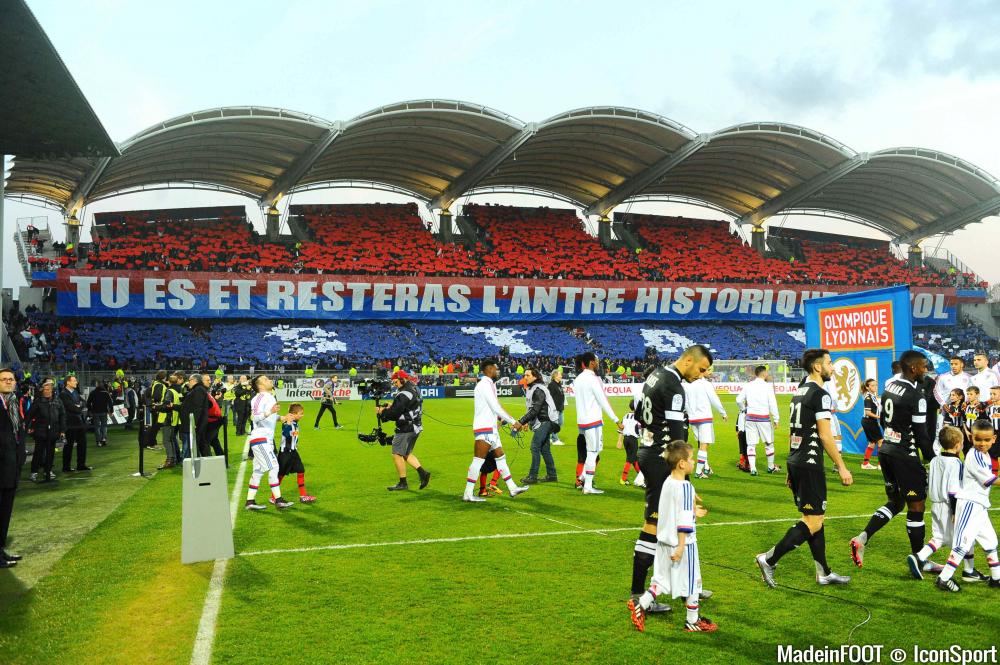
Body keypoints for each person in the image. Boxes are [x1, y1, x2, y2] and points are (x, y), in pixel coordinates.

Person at [756, 349, 853, 588]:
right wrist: (841, 466)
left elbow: (793, 433)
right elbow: (825, 436)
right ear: (818, 367)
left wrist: (791, 467)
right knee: (813, 520)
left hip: (797, 460)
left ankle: (823, 572)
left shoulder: (798, 393)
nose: (832, 368)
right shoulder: (820, 394)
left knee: (815, 517)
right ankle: (769, 559)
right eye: (830, 363)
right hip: (809, 463)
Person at [630, 345, 712, 610]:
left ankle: (690, 585)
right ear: (688, 360)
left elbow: (635, 405)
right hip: (662, 461)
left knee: (673, 524)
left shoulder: (655, 374)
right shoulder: (674, 387)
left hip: (650, 453)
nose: (701, 375)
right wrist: (686, 482)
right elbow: (678, 440)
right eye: (701, 369)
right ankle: (638, 594)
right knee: (656, 526)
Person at [850, 350, 935, 570]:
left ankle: (863, 538)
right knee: (916, 505)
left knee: (896, 502)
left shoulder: (889, 387)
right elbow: (922, 436)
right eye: (924, 366)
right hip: (904, 454)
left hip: (886, 450)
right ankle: (919, 558)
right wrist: (934, 459)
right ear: (913, 368)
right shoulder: (916, 397)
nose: (926, 369)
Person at [628, 441, 716, 633]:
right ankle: (692, 620)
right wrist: (682, 545)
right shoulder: (686, 487)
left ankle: (640, 605)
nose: (693, 462)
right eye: (691, 459)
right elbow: (684, 520)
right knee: (693, 581)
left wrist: (692, 510)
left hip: (663, 541)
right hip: (681, 544)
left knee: (660, 580)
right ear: (682, 464)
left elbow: (673, 509)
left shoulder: (667, 482)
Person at [934, 419, 1000, 592]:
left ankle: (996, 578)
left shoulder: (984, 455)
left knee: (990, 541)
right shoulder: (973, 455)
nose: (982, 443)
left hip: (980, 506)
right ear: (971, 438)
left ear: (994, 439)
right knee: (963, 543)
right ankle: (944, 578)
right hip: (970, 505)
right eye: (978, 439)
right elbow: (990, 480)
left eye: (987, 440)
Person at [461, 359, 528, 503]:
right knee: (478, 461)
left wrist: (505, 420)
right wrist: (514, 421)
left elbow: (494, 408)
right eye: (495, 369)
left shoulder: (487, 384)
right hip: (485, 428)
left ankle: (512, 487)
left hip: (489, 428)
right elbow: (496, 407)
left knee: (501, 458)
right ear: (488, 369)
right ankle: (467, 493)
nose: (497, 371)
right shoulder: (485, 384)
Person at [907, 425, 964, 579]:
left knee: (939, 537)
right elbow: (953, 490)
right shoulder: (957, 464)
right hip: (947, 505)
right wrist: (954, 511)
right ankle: (962, 571)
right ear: (958, 445)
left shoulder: (934, 460)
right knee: (958, 539)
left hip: (934, 503)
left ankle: (919, 556)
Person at [572, 352, 623, 495]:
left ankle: (582, 476)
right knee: (593, 452)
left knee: (595, 450)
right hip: (593, 420)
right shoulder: (593, 379)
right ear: (591, 363)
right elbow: (603, 401)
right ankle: (587, 485)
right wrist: (616, 420)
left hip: (582, 421)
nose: (598, 362)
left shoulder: (578, 379)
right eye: (596, 360)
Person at [245, 375, 293, 511]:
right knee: (274, 467)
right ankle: (278, 500)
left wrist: (281, 417)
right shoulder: (261, 397)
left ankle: (250, 501)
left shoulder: (268, 396)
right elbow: (255, 417)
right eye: (266, 380)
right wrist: (270, 411)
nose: (270, 380)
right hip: (261, 439)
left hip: (263, 439)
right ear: (260, 386)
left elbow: (269, 416)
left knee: (258, 471)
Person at [377, 371, 430, 492]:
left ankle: (403, 483)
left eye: (395, 381)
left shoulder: (403, 393)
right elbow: (409, 405)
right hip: (416, 426)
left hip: (406, 428)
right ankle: (423, 474)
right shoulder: (414, 388)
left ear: (402, 379)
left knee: (396, 454)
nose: (394, 384)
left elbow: (394, 415)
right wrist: (393, 405)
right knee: (406, 453)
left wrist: (382, 411)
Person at [0, 368, 25, 567]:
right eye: (4, 379)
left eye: (11, 379)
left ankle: (0, 550)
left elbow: (18, 432)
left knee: (6, 511)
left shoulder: (14, 402)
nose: (8, 382)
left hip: (12, 464)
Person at [735, 365, 780, 476]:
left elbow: (738, 399)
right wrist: (776, 418)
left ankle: (753, 469)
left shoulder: (748, 385)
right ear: (764, 373)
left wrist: (744, 409)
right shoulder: (767, 387)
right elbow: (772, 403)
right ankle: (770, 467)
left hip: (750, 418)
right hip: (763, 418)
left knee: (751, 444)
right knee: (769, 443)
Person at [517, 367, 559, 484]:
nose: (525, 377)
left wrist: (521, 421)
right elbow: (533, 409)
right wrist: (526, 422)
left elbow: (535, 410)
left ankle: (533, 476)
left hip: (545, 421)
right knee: (545, 449)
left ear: (535, 377)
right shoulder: (535, 388)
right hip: (546, 421)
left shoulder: (538, 389)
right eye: (524, 375)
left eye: (528, 375)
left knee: (535, 447)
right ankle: (552, 475)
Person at [684, 375, 728, 479]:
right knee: (704, 445)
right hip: (704, 418)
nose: (709, 372)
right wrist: (723, 413)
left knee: (701, 444)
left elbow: (685, 403)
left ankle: (706, 467)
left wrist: (690, 414)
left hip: (693, 419)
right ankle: (699, 472)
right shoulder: (706, 384)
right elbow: (714, 399)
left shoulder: (688, 385)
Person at [275, 403, 316, 503]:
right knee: (281, 475)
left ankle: (303, 496)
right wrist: (288, 422)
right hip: (285, 453)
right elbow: (285, 433)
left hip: (293, 452)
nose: (302, 415)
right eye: (301, 413)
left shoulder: (295, 423)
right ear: (293, 414)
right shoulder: (287, 423)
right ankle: (274, 496)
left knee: (301, 470)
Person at [26, 379, 64, 482]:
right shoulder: (38, 402)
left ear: (52, 390)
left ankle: (48, 470)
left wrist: (62, 430)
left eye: (48, 389)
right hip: (40, 431)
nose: (46, 391)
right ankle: (34, 472)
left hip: (53, 431)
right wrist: (27, 427)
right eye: (45, 389)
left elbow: (62, 416)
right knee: (38, 452)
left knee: (51, 452)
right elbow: (29, 415)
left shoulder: (58, 401)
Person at [59, 375, 91, 472]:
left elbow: (84, 403)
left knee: (82, 444)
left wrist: (78, 406)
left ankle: (81, 465)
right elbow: (72, 408)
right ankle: (66, 467)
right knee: (69, 445)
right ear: (68, 382)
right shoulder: (63, 394)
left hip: (80, 422)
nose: (76, 382)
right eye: (74, 380)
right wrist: (79, 407)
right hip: (70, 423)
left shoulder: (76, 392)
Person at [178, 374, 209, 459]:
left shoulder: (198, 390)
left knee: (192, 445)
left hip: (195, 422)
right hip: (196, 422)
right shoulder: (198, 389)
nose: (188, 382)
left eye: (190, 380)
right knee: (198, 444)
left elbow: (197, 407)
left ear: (194, 380)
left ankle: (189, 464)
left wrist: (193, 422)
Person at [861, 379, 882, 470]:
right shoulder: (868, 397)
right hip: (869, 421)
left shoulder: (872, 396)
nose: (875, 387)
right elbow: (867, 412)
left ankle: (865, 464)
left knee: (872, 443)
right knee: (880, 441)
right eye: (872, 385)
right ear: (867, 387)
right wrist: (879, 417)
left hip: (869, 421)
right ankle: (880, 464)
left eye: (876, 385)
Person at [617, 410, 641, 486]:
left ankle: (641, 476)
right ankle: (623, 479)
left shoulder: (625, 415)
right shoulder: (638, 416)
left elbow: (621, 428)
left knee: (634, 458)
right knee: (630, 459)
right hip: (633, 440)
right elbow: (640, 428)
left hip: (626, 439)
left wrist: (619, 441)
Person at [87, 381, 113, 448]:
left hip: (95, 412)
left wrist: (90, 410)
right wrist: (111, 411)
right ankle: (104, 439)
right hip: (104, 411)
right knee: (104, 426)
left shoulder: (92, 393)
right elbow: (110, 402)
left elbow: (88, 402)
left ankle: (98, 441)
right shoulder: (106, 393)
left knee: (97, 427)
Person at [548, 367, 566, 446]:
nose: (561, 376)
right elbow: (549, 397)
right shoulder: (551, 385)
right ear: (555, 376)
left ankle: (550, 437)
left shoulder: (559, 384)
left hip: (560, 407)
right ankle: (555, 440)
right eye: (559, 375)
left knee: (560, 422)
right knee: (555, 424)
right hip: (554, 408)